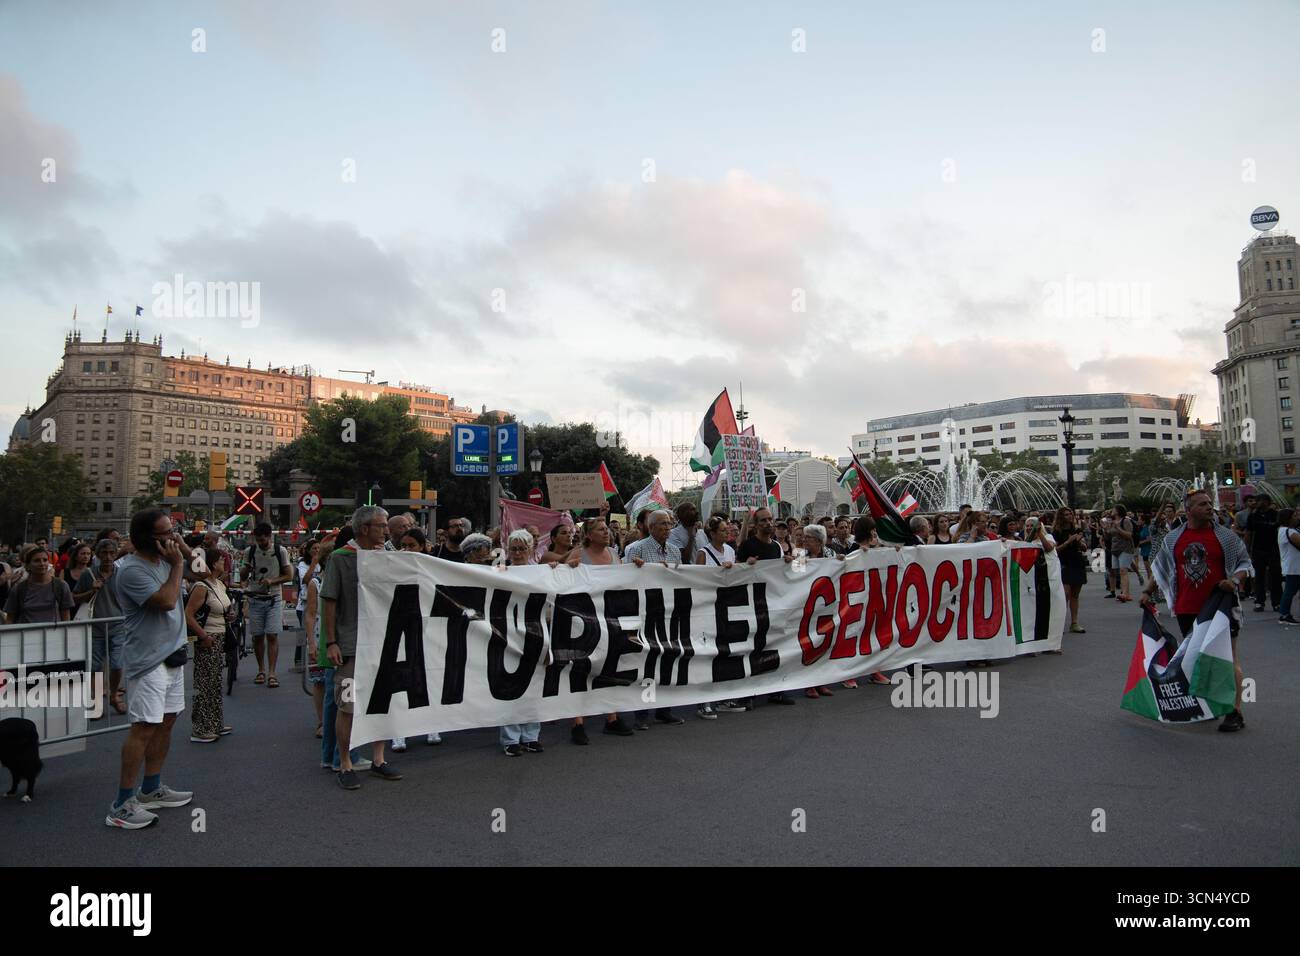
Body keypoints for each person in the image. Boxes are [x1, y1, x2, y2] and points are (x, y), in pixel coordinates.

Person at [104, 509, 193, 829]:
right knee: (143, 727)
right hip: (148, 662)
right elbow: (167, 600)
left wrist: (183, 554)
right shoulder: (130, 571)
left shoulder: (166, 561)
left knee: (167, 722)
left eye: (173, 531)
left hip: (172, 656)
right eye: (165, 533)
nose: (172, 537)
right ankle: (121, 804)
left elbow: (204, 575)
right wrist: (178, 564)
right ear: (146, 538)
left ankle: (151, 789)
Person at [1142, 490, 1251, 732]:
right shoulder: (1174, 538)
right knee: (1198, 658)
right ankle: (1209, 704)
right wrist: (1147, 593)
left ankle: (1235, 711)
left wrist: (1234, 580)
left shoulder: (1226, 537)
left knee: (1228, 657)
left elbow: (1245, 563)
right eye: (1202, 504)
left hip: (1221, 607)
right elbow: (1160, 566)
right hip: (1187, 608)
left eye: (1210, 503)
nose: (1209, 507)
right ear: (1188, 510)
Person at [322, 506, 403, 790]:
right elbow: (329, 601)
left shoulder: (385, 558)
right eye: (381, 526)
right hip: (350, 646)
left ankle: (379, 759)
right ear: (365, 528)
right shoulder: (340, 558)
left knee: (381, 703)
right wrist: (331, 642)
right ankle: (344, 762)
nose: (386, 530)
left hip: (382, 643)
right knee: (347, 706)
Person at [497, 530, 544, 755]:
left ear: (531, 549)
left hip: (536, 634)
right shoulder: (499, 571)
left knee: (534, 687)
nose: (517, 553)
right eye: (513, 548)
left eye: (521, 548)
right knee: (510, 686)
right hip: (508, 635)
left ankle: (531, 735)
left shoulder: (542, 572)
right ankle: (510, 738)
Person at [183, 546, 233, 743]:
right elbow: (188, 615)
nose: (224, 563)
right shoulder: (202, 586)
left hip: (219, 635)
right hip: (208, 638)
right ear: (213, 563)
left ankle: (214, 722)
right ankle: (201, 727)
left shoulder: (219, 584)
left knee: (215, 682)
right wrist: (203, 636)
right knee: (205, 682)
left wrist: (230, 615)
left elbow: (222, 608)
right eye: (222, 560)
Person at [76, 538, 128, 716]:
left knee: (117, 663)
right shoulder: (88, 574)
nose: (108, 557)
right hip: (95, 626)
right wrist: (91, 590)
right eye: (104, 553)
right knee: (95, 667)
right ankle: (96, 701)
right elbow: (74, 599)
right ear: (97, 555)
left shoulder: (122, 574)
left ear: (115, 554)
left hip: (118, 626)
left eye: (111, 553)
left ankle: (114, 695)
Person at [240, 522, 292, 688]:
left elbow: (289, 575)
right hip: (255, 597)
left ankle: (272, 672)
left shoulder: (280, 551)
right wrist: (246, 568)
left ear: (269, 537)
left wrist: (272, 581)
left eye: (263, 540)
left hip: (273, 597)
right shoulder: (251, 552)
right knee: (257, 636)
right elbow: (242, 575)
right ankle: (261, 669)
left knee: (272, 634)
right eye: (258, 540)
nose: (261, 543)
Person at [3, 546, 74, 625]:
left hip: (54, 635)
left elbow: (66, 618)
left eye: (45, 560)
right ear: (28, 565)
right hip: (26, 634)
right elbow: (10, 619)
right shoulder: (19, 589)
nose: (42, 563)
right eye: (37, 561)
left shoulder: (61, 586)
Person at [1052, 508, 1088, 634]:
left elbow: (1084, 547)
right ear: (1061, 517)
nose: (1069, 516)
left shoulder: (1076, 529)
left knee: (1075, 594)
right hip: (1064, 562)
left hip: (1077, 561)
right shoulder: (1056, 532)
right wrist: (1068, 542)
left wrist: (1079, 542)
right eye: (1066, 514)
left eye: (1070, 514)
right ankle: (1059, 622)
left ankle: (1074, 622)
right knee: (1065, 593)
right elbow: (1055, 550)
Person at [1245, 497, 1282, 612]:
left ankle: (1277, 602)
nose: (1257, 503)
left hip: (1273, 549)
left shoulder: (1276, 514)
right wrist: (1248, 549)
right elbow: (1249, 533)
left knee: (1275, 576)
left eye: (1260, 500)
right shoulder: (1253, 516)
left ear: (1267, 502)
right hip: (1258, 550)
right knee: (1259, 576)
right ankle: (1259, 602)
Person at [1109, 506, 1137, 603]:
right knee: (1118, 571)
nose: (1111, 511)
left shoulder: (1125, 521)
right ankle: (1126, 592)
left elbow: (1129, 535)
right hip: (1115, 548)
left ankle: (1125, 594)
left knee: (1123, 571)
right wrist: (1105, 529)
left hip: (1125, 548)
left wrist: (1118, 528)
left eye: (1113, 509)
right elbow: (1110, 535)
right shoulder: (1113, 522)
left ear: (1118, 511)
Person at [1277, 509, 1300, 624]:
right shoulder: (1290, 532)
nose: (1297, 517)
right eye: (1295, 515)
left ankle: (1284, 614)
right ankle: (1284, 614)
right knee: (1290, 591)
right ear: (1288, 518)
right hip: (1295, 568)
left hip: (1292, 566)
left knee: (1290, 591)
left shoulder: (1282, 530)